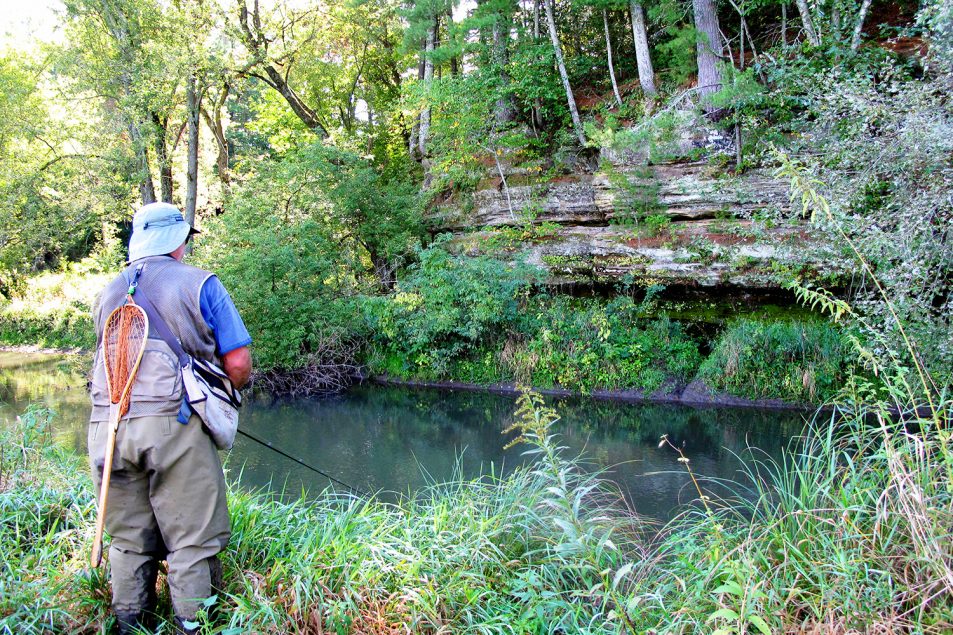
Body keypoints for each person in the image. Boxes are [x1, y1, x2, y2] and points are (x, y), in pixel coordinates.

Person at [88, 202, 252, 634]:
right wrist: (229, 394)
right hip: (173, 428)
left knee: (127, 540)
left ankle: (129, 624)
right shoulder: (201, 284)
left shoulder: (108, 291)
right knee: (193, 539)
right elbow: (238, 362)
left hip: (108, 428)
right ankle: (192, 625)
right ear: (179, 241)